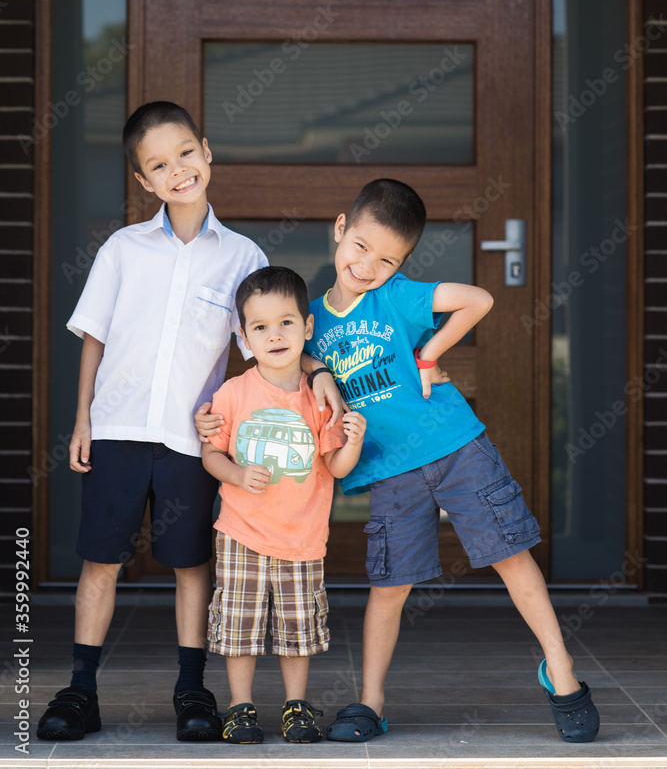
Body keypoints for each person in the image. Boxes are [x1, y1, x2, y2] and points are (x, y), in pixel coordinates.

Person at [198, 178, 600, 746]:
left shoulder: (400, 297)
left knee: (510, 554)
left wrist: (430, 352)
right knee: (391, 584)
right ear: (340, 230)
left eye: (387, 259)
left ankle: (562, 674)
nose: (367, 266)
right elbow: (283, 361)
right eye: (360, 247)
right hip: (388, 469)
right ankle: (371, 702)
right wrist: (221, 417)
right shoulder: (305, 319)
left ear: (402, 264)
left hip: (457, 447)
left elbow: (478, 301)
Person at [36, 101, 340, 744]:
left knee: (191, 563)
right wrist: (83, 419)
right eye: (158, 165)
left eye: (184, 154)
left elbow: (268, 335)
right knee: (99, 560)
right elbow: (93, 337)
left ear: (206, 152)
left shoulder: (240, 255)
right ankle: (81, 690)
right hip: (118, 429)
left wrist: (317, 372)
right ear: (143, 182)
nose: (176, 170)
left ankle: (192, 688)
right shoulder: (123, 249)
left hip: (189, 440)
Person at [201, 266, 366, 745]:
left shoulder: (319, 398)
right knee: (238, 625)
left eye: (286, 323)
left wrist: (353, 441)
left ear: (308, 327)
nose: (274, 335)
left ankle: (297, 707)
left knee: (298, 628)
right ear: (245, 337)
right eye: (260, 327)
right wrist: (234, 473)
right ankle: (240, 707)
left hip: (301, 537)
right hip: (241, 532)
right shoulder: (233, 393)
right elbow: (211, 452)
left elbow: (335, 466)